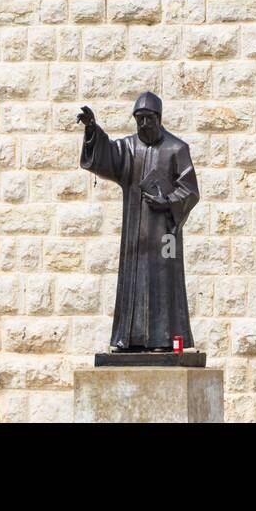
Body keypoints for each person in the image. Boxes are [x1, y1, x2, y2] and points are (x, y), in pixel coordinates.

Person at [78, 91, 200, 351]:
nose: (144, 124)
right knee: (132, 280)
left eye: (148, 119)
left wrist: (167, 202)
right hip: (135, 234)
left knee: (164, 280)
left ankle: (164, 341)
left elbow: (190, 189)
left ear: (159, 118)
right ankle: (129, 340)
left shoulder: (177, 149)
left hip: (166, 234)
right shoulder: (130, 148)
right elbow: (107, 156)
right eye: (139, 119)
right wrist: (92, 130)